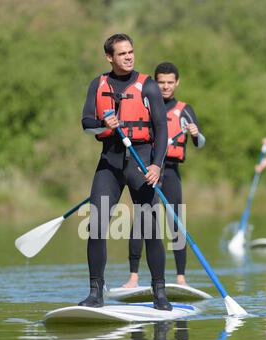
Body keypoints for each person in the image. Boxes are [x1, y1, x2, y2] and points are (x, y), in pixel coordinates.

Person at [80, 34, 172, 310]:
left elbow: (162, 130)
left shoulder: (148, 86)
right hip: (109, 161)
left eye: (131, 51)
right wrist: (103, 123)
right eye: (122, 54)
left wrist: (157, 165)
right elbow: (86, 124)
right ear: (110, 57)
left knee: (150, 228)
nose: (129, 57)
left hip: (141, 161)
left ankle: (160, 292)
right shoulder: (98, 84)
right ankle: (96, 293)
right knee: (96, 226)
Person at [123, 62, 206, 288]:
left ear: (176, 83)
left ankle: (181, 278)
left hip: (169, 171)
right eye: (161, 82)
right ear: (154, 83)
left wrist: (196, 134)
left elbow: (200, 143)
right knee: (142, 219)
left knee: (175, 221)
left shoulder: (185, 109)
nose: (166, 87)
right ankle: (133, 277)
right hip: (148, 168)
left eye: (170, 82)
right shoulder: (145, 105)